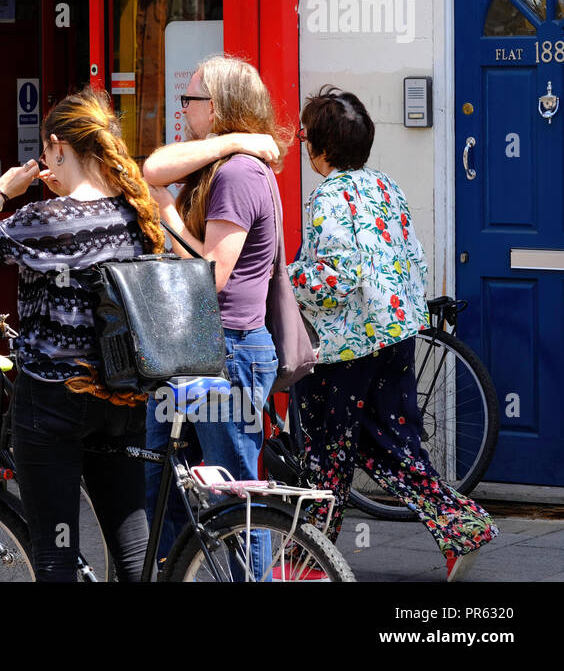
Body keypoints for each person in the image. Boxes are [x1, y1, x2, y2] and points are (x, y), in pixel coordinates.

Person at [0, 86, 163, 582]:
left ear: (56, 148)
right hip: (123, 395)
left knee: (56, 550)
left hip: (52, 399)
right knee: (132, 546)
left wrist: (1, 192)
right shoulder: (135, 213)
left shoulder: (45, 220)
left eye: (46, 152)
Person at [288, 86, 498, 581]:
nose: (303, 148)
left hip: (346, 349)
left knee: (328, 452)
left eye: (307, 139)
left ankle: (308, 563)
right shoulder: (386, 186)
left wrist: (288, 278)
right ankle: (460, 526)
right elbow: (413, 259)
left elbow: (335, 278)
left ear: (321, 147)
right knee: (391, 442)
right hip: (397, 334)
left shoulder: (328, 197)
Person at [139, 54, 288, 575]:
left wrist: (169, 216)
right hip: (197, 348)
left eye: (192, 99)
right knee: (163, 479)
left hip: (229, 351)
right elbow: (150, 169)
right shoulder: (225, 160)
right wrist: (234, 139)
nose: (183, 108)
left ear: (220, 106)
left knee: (235, 494)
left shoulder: (239, 176)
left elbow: (210, 276)